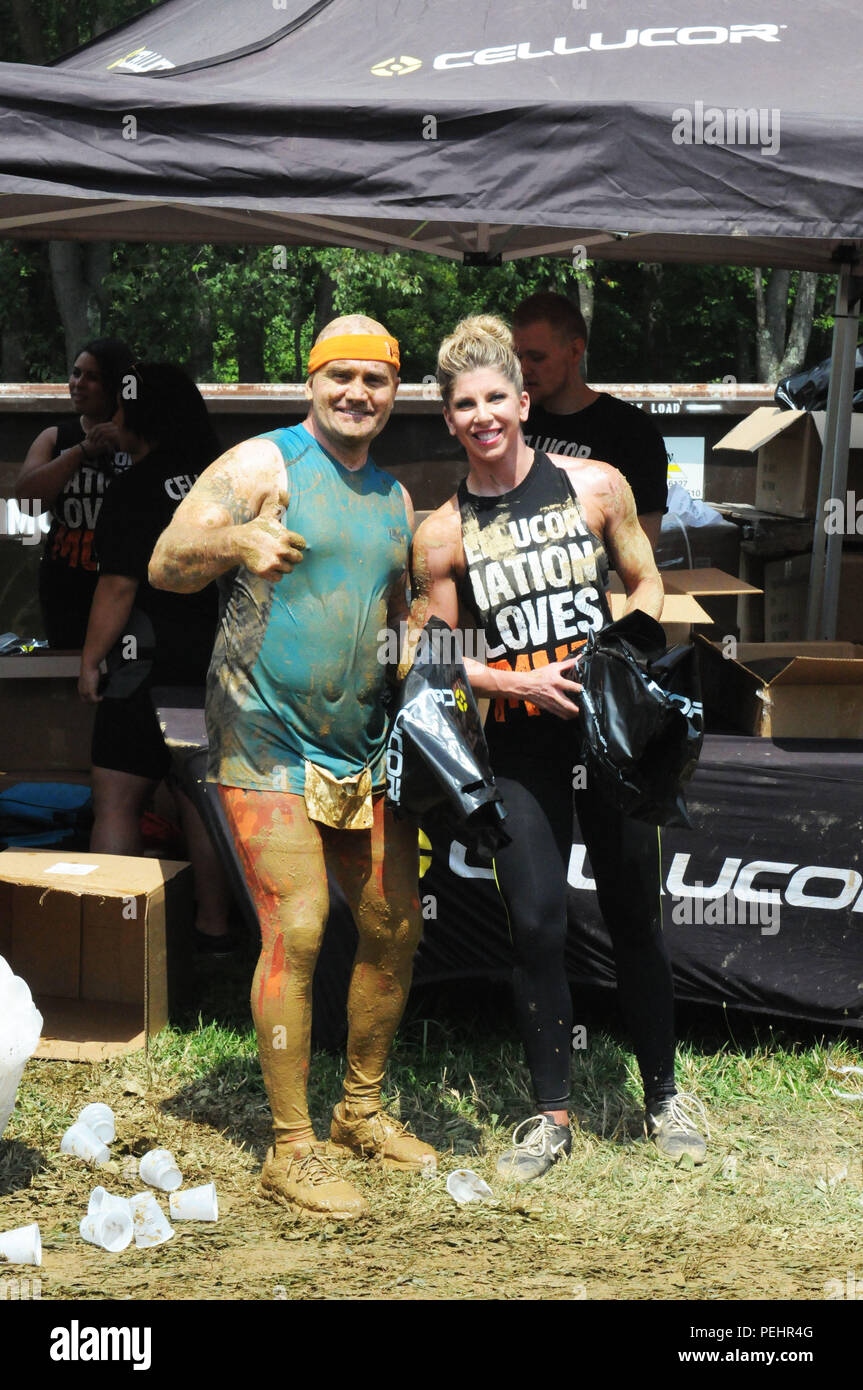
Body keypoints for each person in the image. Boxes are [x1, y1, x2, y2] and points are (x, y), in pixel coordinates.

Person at [403, 315, 708, 1182]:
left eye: (496, 396)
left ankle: (662, 1098)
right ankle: (550, 1117)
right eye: (465, 404)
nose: (482, 415)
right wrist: (513, 683)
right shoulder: (441, 531)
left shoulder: (595, 486)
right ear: (450, 418)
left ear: (523, 400)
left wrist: (608, 643)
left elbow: (646, 579)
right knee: (534, 926)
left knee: (633, 915)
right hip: (521, 749)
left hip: (610, 738)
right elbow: (433, 658)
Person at [148, 315, 436, 1220]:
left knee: (394, 925)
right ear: (310, 382)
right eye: (339, 376)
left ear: (395, 393)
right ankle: (291, 1147)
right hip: (262, 739)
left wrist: (425, 654)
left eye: (375, 380)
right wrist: (237, 545)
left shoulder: (395, 498)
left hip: (363, 747)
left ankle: (358, 1110)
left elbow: (399, 611)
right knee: (301, 926)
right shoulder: (259, 467)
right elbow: (163, 563)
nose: (357, 394)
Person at [78, 363, 233, 949]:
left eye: (121, 410)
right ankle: (215, 930)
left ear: (143, 417)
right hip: (212, 664)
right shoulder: (223, 482)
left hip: (140, 664)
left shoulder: (133, 487)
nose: (114, 421)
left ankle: (111, 940)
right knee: (201, 801)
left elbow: (117, 586)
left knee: (117, 798)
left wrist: (91, 660)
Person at [513, 292, 668, 548]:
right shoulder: (512, 422)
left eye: (537, 357)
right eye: (517, 356)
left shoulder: (632, 432)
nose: (523, 368)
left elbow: (642, 547)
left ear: (575, 351)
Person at [16, 338, 136, 647]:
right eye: (75, 373)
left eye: (91, 377)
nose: (77, 383)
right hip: (65, 580)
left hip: (129, 582)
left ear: (114, 385)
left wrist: (127, 440)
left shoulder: (142, 440)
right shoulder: (55, 437)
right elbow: (28, 504)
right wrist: (79, 452)